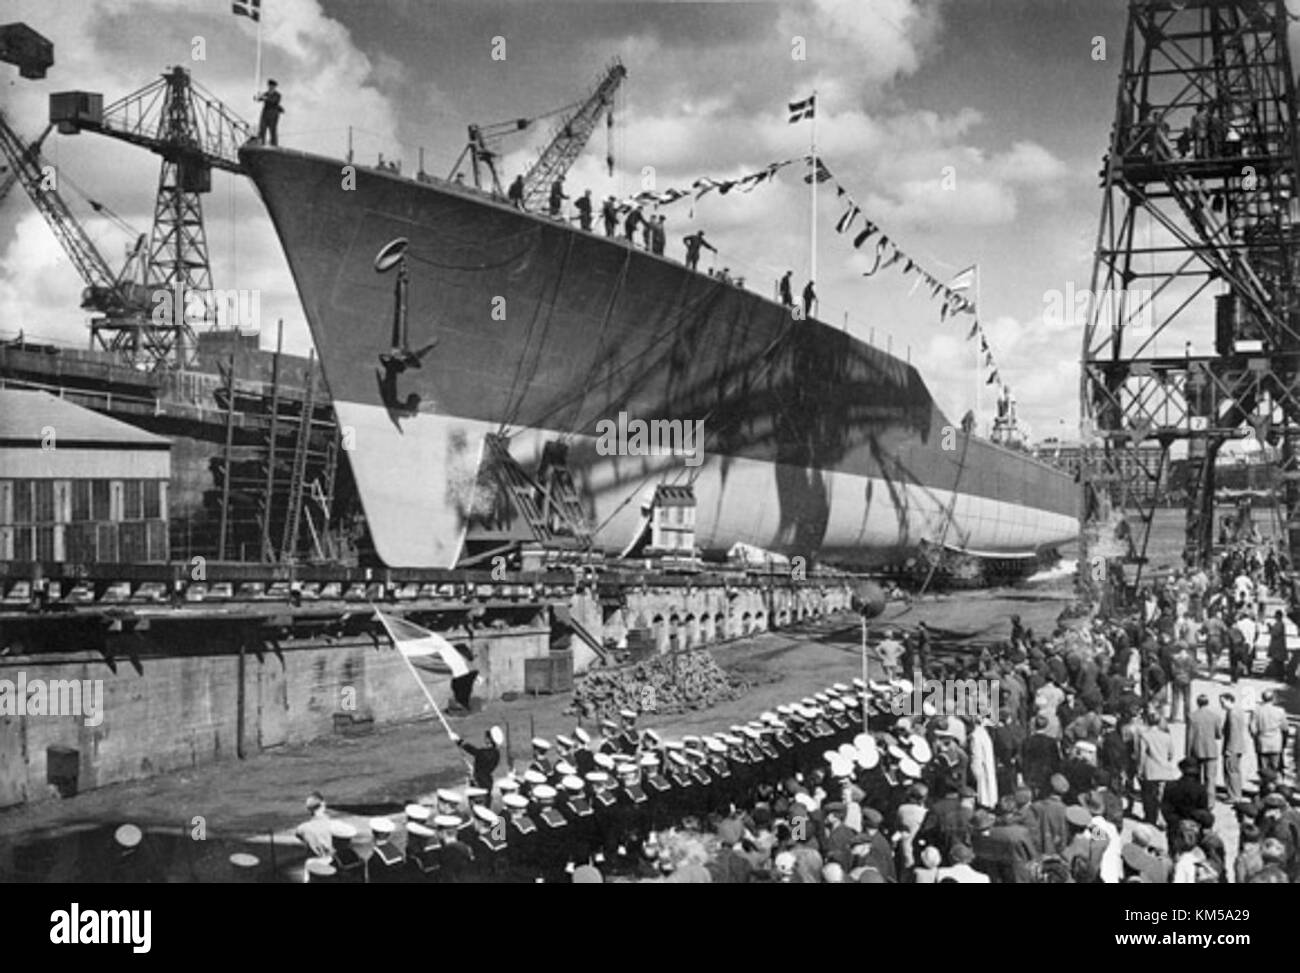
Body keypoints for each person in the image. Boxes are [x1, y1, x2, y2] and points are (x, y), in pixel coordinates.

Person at [1184, 694, 1221, 807]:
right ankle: (1210, 802)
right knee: (1210, 778)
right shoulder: (1215, 716)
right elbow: (1218, 734)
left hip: (1196, 749)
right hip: (1211, 750)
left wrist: (1187, 753)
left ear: (1197, 703)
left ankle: (1197, 800)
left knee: (1196, 778)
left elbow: (1189, 736)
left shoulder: (1192, 716)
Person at [453, 726, 504, 790]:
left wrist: (459, 741)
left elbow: (473, 751)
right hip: (488, 781)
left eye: (486, 736)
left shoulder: (484, 753)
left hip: (479, 782)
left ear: (489, 739)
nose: (484, 738)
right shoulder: (497, 753)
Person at [1220, 693, 1248, 804]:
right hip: (1238, 746)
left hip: (1233, 747)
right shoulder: (1238, 711)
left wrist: (1229, 749)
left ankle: (1234, 795)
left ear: (1229, 700)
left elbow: (1233, 733)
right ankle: (1236, 793)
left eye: (1222, 702)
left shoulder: (1232, 714)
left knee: (1231, 771)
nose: (1221, 705)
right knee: (1235, 771)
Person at [1253, 690, 1287, 776]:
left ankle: (1265, 786)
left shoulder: (1257, 711)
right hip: (1275, 743)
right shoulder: (1280, 711)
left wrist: (1256, 738)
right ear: (1273, 699)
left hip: (1262, 742)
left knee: (1263, 768)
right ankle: (1273, 785)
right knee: (1275, 767)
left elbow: (1252, 728)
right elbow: (1285, 728)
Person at [255, 80, 284, 146]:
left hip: (273, 114)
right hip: (265, 114)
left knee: (272, 130)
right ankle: (261, 143)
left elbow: (273, 101)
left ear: (274, 87)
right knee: (262, 128)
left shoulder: (277, 95)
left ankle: (274, 144)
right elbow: (259, 99)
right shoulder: (266, 94)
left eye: (272, 86)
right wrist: (257, 97)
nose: (270, 87)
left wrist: (264, 98)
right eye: (270, 86)